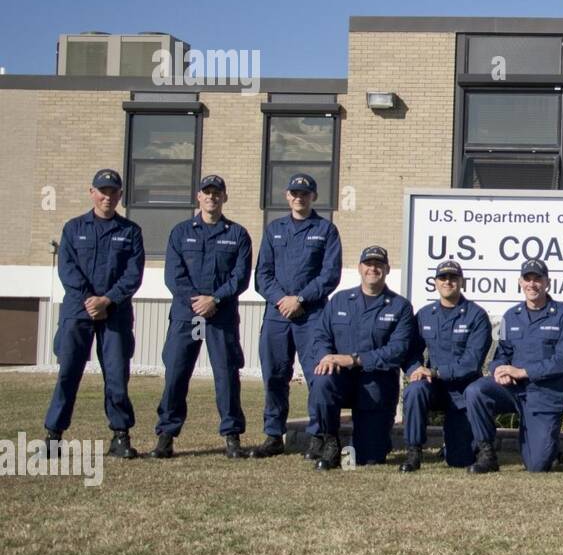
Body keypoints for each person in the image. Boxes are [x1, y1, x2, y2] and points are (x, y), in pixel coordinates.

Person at [44, 168, 145, 459]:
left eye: (113, 192)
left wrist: (107, 300)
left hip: (115, 315)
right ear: (92, 193)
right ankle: (53, 436)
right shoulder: (73, 228)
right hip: (78, 312)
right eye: (102, 191)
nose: (107, 197)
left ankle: (120, 437)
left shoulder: (130, 232)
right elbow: (67, 269)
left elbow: (132, 275)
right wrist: (90, 300)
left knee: (116, 376)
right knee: (68, 374)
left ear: (120, 196)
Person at [151, 174, 253, 460]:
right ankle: (166, 436)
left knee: (226, 375)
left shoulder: (237, 234)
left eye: (217, 193)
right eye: (207, 192)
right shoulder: (181, 232)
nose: (212, 197)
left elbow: (240, 277)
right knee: (176, 373)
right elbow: (174, 275)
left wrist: (215, 299)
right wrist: (197, 303)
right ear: (198, 196)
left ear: (225, 197)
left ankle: (232, 437)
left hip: (221, 317)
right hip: (188, 316)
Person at [250, 173, 342, 458]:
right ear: (287, 196)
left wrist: (300, 299)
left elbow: (330, 275)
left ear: (313, 196)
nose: (299, 198)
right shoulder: (274, 229)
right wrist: (282, 300)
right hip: (277, 315)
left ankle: (317, 436)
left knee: (317, 377)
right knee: (275, 375)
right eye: (294, 193)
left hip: (312, 315)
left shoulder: (326, 230)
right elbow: (262, 275)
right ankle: (274, 435)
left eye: (304, 193)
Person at [464, 259, 563, 473]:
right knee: (475, 391)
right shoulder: (511, 316)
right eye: (528, 279)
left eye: (538, 279)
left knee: (537, 466)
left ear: (547, 283)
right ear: (520, 282)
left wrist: (523, 372)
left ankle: (550, 447)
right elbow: (502, 353)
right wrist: (499, 371)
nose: (532, 284)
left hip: (544, 393)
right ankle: (486, 453)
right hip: (513, 389)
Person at [308, 246, 416, 470]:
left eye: (378, 265)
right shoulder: (339, 300)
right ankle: (330, 441)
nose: (373, 269)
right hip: (340, 379)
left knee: (368, 457)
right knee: (320, 382)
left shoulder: (400, 306)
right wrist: (326, 357)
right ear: (359, 268)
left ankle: (358, 446)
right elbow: (320, 336)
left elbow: (398, 350)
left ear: (386, 269)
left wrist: (355, 359)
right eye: (368, 264)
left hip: (375, 385)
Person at [398, 260, 492, 472]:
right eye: (443, 278)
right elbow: (411, 351)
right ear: (435, 283)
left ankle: (465, 446)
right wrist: (415, 370)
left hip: (463, 391)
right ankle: (413, 451)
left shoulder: (476, 315)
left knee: (460, 460)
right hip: (434, 387)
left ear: (462, 282)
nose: (448, 282)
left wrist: (435, 372)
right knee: (414, 390)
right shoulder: (425, 314)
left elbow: (472, 362)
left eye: (453, 278)